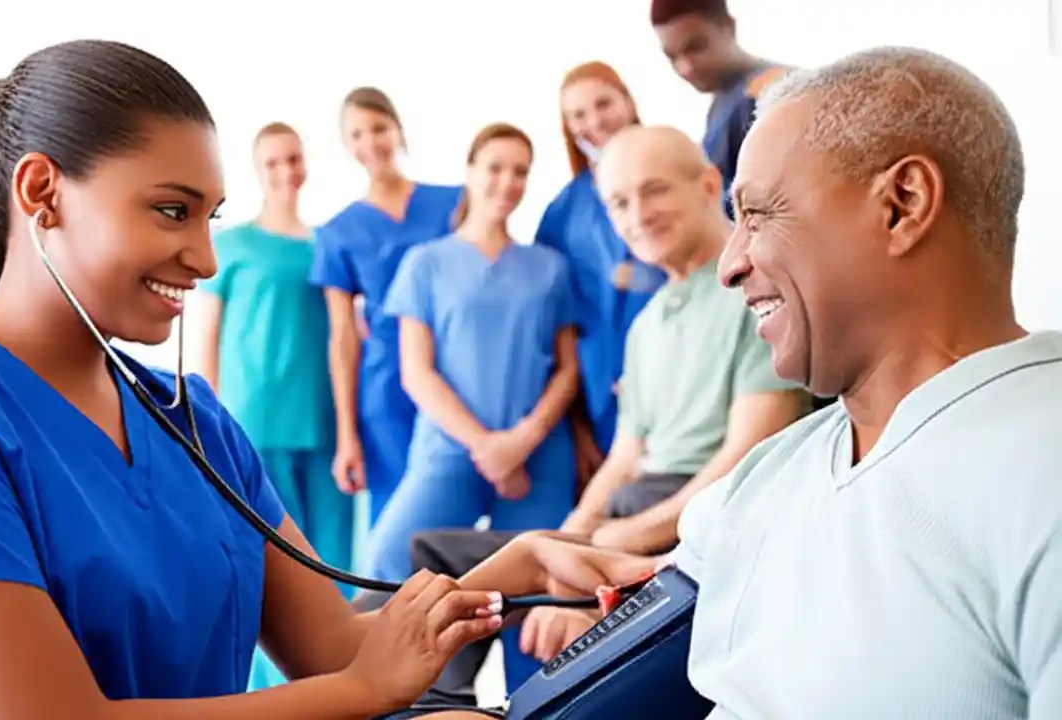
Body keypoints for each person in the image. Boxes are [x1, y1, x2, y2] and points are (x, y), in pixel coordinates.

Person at [0, 39, 658, 720]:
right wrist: (366, 694)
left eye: (210, 217)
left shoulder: (195, 424)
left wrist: (512, 567)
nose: (207, 257)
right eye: (171, 210)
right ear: (42, 193)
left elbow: (338, 650)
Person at [671, 47, 1060, 717]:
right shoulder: (765, 479)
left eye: (759, 214)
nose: (729, 265)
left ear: (903, 204)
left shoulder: (1039, 469)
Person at [399, 124, 808, 701]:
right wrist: (561, 547)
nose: (637, 214)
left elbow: (744, 461)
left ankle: (443, 705)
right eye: (619, 202)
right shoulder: (647, 325)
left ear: (709, 183)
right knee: (435, 561)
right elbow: (622, 459)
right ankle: (436, 709)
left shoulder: (756, 293)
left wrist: (610, 545)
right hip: (634, 505)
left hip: (691, 515)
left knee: (480, 584)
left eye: (655, 190)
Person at [366, 123, 580, 585]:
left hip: (538, 454)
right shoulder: (426, 263)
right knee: (387, 562)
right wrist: (488, 449)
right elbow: (416, 372)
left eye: (520, 172)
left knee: (541, 592)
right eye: (496, 168)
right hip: (450, 446)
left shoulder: (549, 267)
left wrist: (521, 441)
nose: (508, 182)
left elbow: (567, 370)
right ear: (470, 171)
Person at [197, 122, 356, 693]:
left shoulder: (326, 246)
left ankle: (344, 684)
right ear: (257, 171)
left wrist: (350, 430)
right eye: (273, 162)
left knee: (333, 562)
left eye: (294, 159)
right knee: (269, 571)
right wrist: (204, 425)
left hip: (323, 423)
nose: (286, 171)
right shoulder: (232, 246)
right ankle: (281, 696)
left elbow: (344, 337)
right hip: (253, 422)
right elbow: (206, 337)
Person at [310, 88, 464, 525]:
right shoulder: (337, 233)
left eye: (378, 128)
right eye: (356, 134)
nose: (370, 142)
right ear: (346, 146)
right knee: (398, 526)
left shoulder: (454, 203)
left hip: (455, 379)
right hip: (385, 392)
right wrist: (347, 434)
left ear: (398, 129)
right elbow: (342, 337)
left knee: (459, 522)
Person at [535, 62, 666, 482]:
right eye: (578, 115)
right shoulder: (561, 215)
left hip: (684, 382)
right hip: (601, 404)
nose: (594, 122)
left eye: (603, 103)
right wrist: (578, 434)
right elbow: (557, 336)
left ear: (628, 100)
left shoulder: (685, 173)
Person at [650, 0, 788, 217]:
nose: (684, 68)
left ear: (728, 27)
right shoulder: (723, 100)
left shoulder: (772, 93)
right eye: (672, 57)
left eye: (695, 47)